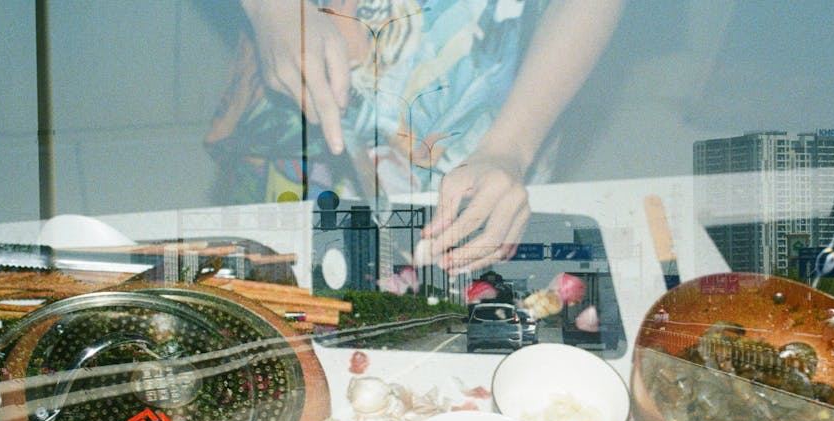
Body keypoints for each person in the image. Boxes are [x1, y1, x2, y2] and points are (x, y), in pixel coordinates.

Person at [206, 0, 623, 274]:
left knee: (466, 293)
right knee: (274, 279)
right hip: (301, 68)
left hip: (492, 111)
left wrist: (509, 148)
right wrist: (271, 9)